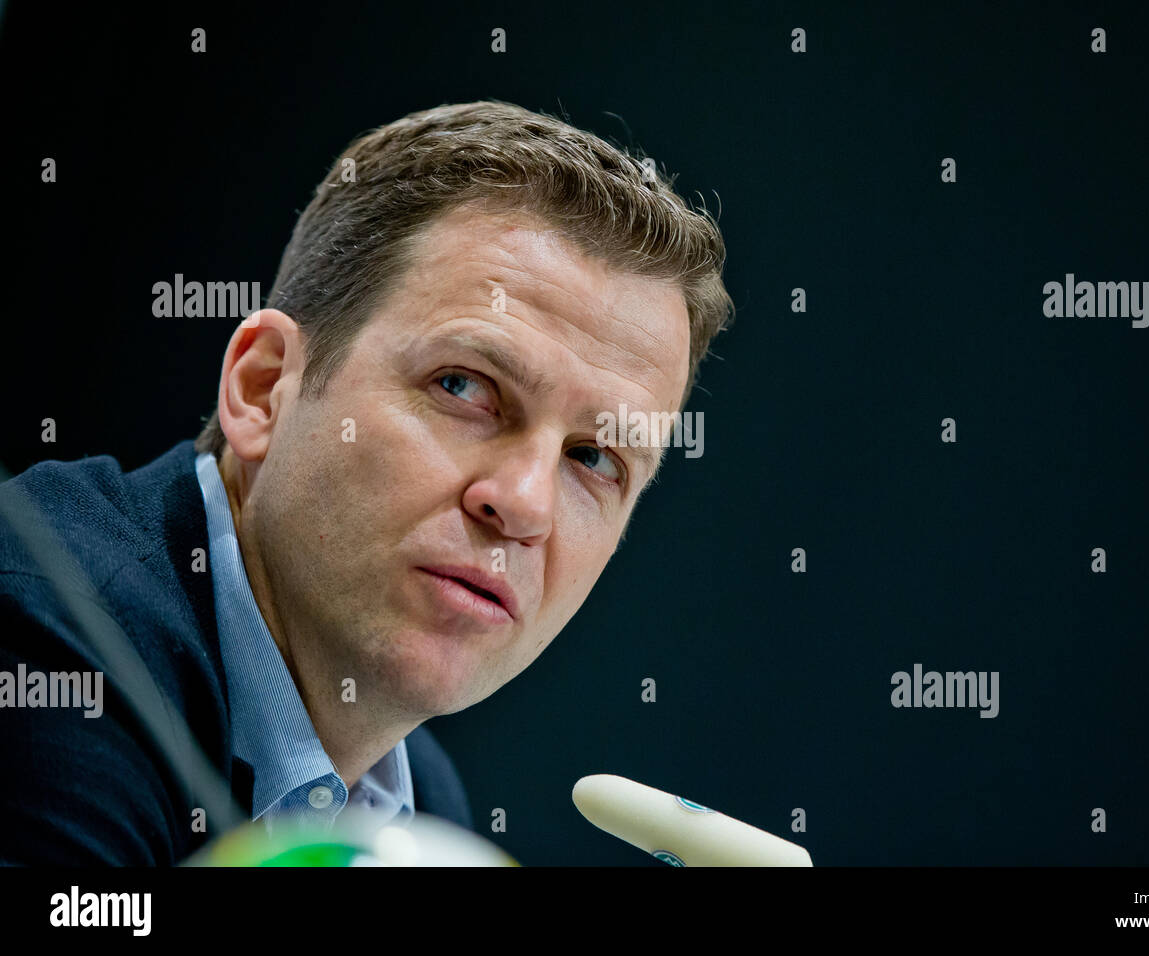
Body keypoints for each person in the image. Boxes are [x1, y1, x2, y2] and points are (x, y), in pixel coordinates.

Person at [0, 100, 734, 864]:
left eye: (593, 458)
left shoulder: (415, 801)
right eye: (464, 387)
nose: (522, 504)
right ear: (263, 387)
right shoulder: (48, 643)